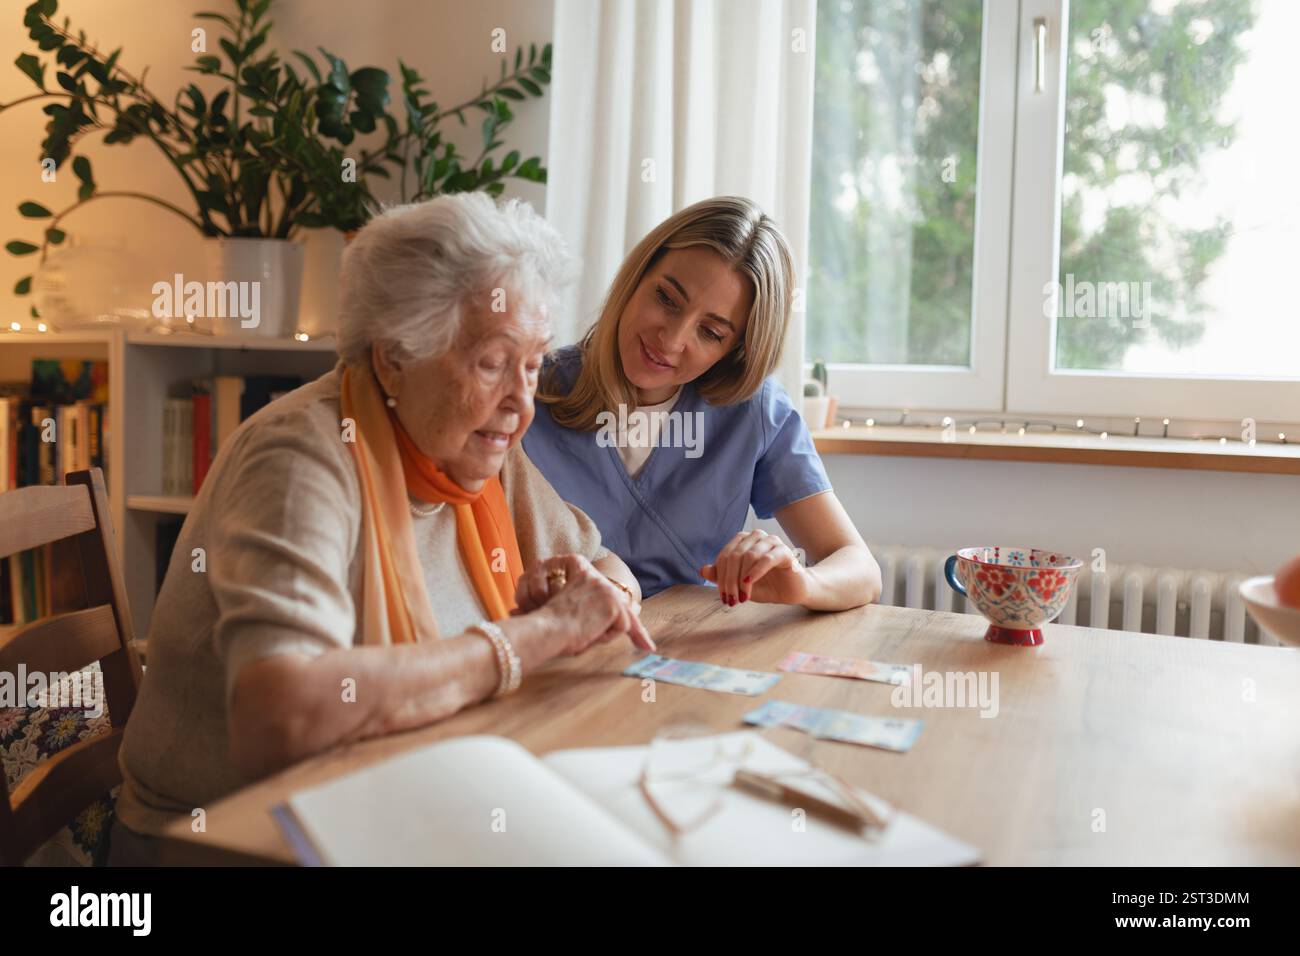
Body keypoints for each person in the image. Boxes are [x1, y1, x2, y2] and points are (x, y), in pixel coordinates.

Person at [109, 193, 652, 863]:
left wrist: (595, 594)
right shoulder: (302, 457)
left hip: (401, 796)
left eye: (534, 364)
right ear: (395, 356)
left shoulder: (479, 447)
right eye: (491, 362)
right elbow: (282, 717)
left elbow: (608, 567)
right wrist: (532, 637)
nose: (521, 401)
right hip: (235, 840)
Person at [523, 196, 882, 609]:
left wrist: (802, 583)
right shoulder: (530, 387)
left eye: (711, 332)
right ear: (638, 277)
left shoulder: (754, 412)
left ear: (735, 350)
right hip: (558, 647)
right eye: (667, 299)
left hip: (695, 652)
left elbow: (861, 569)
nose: (671, 340)